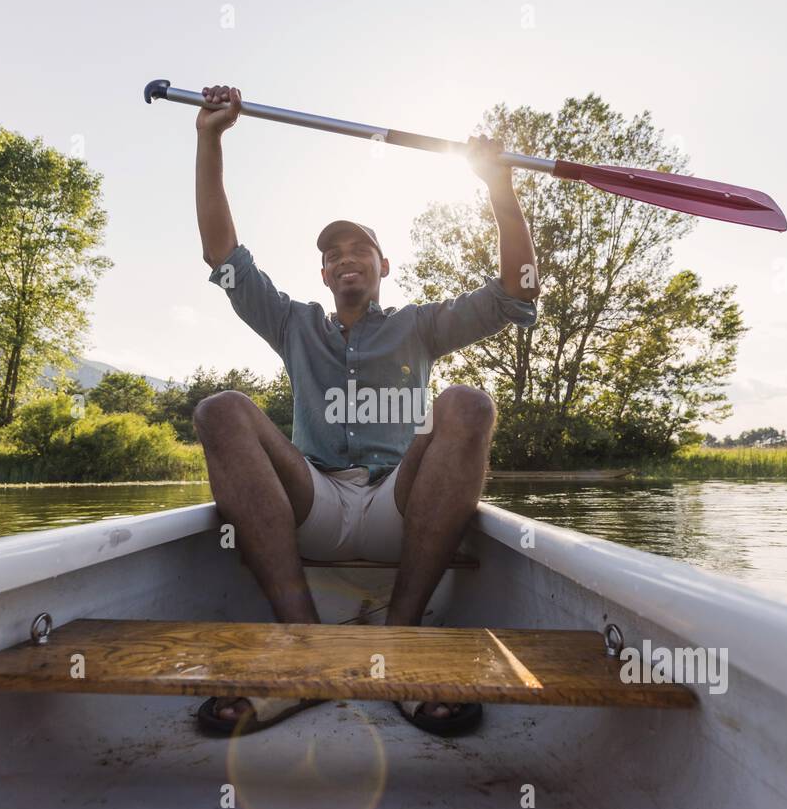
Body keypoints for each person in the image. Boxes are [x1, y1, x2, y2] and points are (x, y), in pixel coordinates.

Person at [191, 84, 539, 736]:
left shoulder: (420, 324)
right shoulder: (293, 322)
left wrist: (499, 187)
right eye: (332, 253)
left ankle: (401, 643)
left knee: (466, 403)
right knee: (221, 409)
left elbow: (517, 293)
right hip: (313, 501)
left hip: (396, 507)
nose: (344, 258)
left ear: (383, 265)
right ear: (323, 274)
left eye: (358, 251)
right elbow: (222, 254)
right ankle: (307, 649)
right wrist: (210, 138)